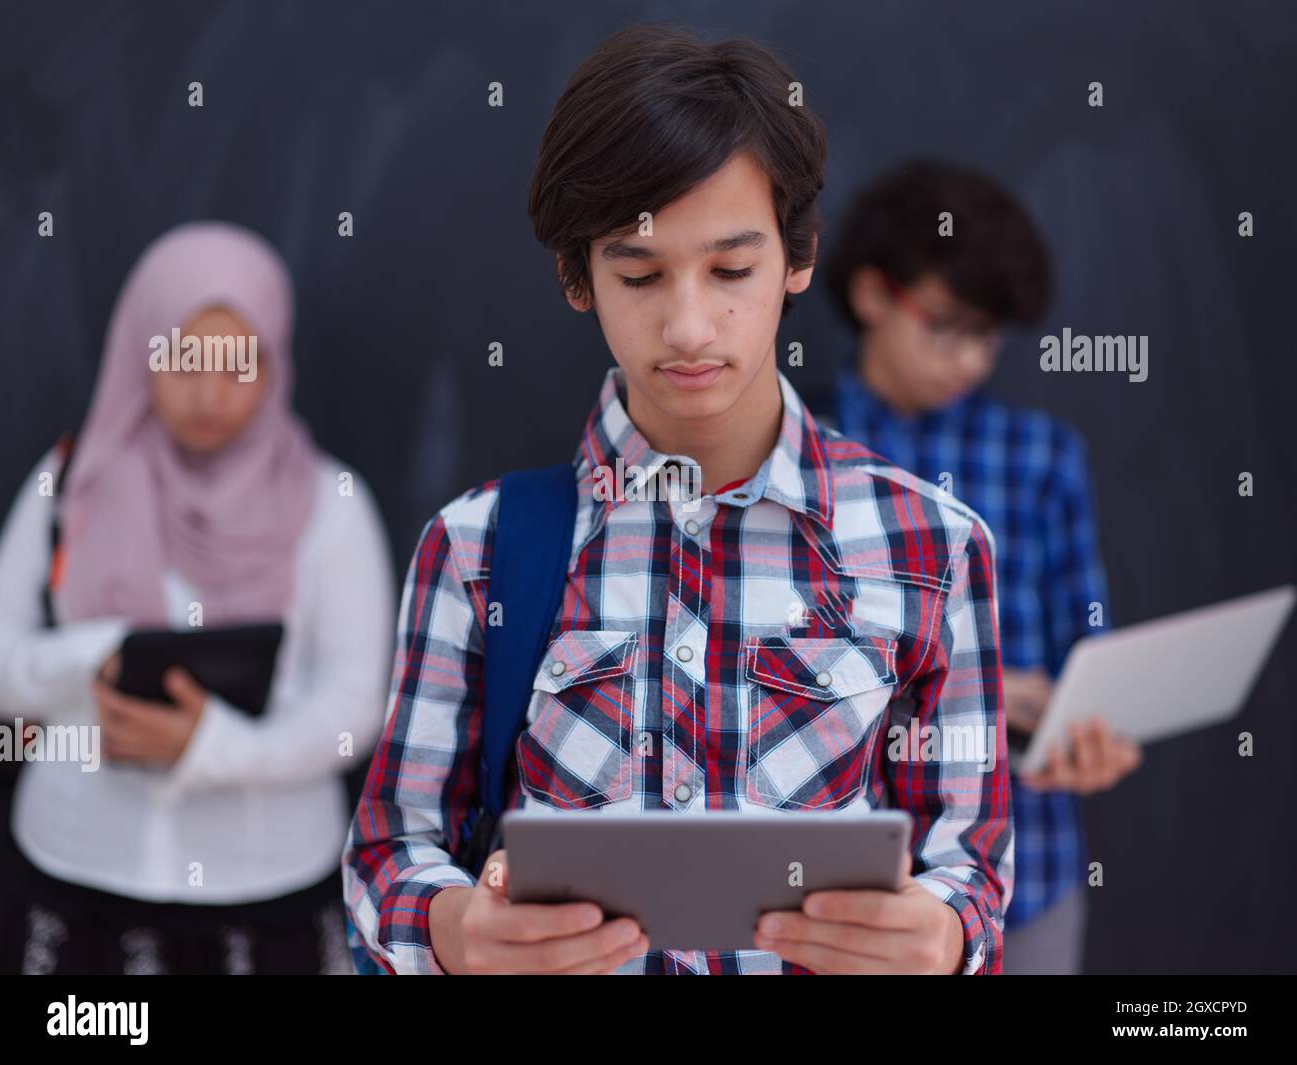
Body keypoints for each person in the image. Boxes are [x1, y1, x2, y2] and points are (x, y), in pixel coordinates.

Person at [344, 26, 1011, 976]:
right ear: (579, 276)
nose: (691, 325)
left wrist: (941, 935)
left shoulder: (932, 545)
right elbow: (387, 853)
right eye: (640, 274)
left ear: (799, 256)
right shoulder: (479, 550)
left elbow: (969, 864)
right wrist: (459, 932)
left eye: (732, 270)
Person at [0, 221, 395, 974]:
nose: (211, 393)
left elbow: (352, 708)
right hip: (77, 871)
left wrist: (211, 749)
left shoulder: (331, 502)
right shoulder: (69, 484)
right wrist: (101, 654)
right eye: (184, 358)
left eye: (239, 364)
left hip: (266, 886)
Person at [819, 159, 1143, 974]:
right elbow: (771, 689)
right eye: (948, 324)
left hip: (1026, 874)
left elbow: (1089, 648)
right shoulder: (792, 457)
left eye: (989, 334)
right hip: (841, 888)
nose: (970, 358)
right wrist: (974, 706)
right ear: (871, 296)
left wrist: (1092, 726)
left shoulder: (1043, 457)